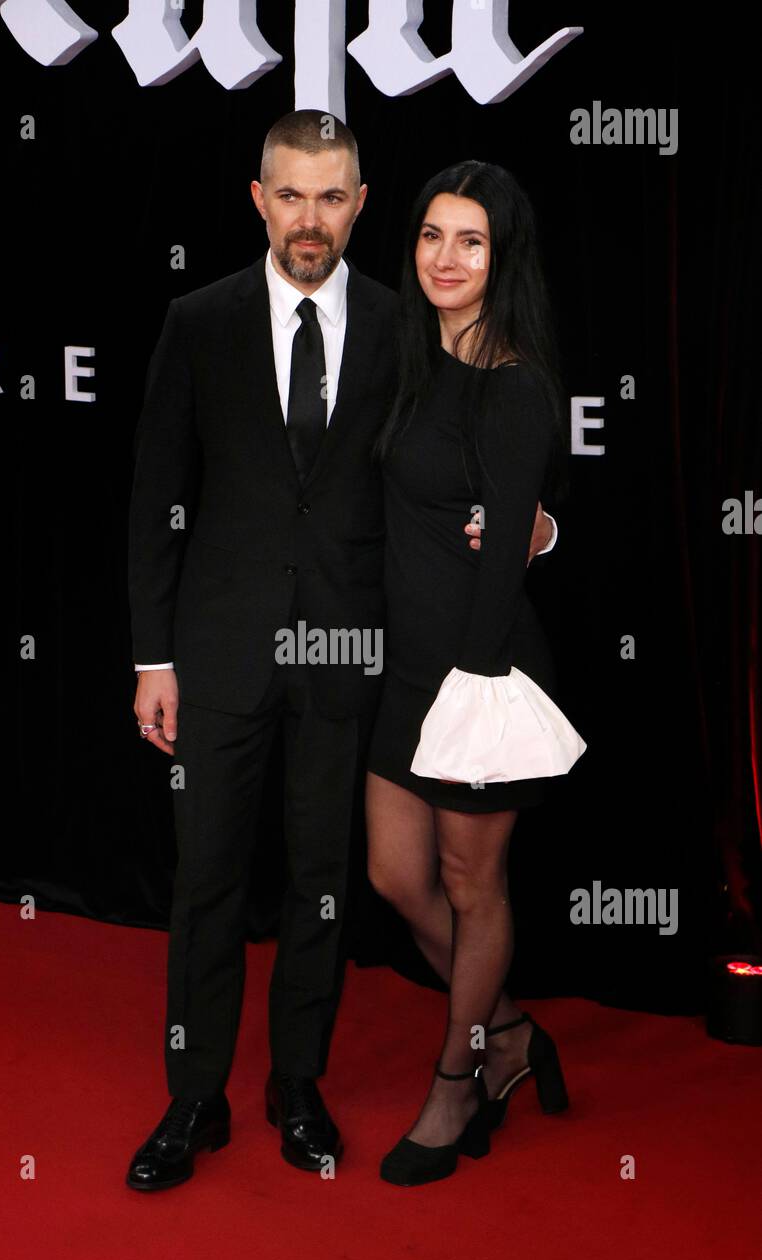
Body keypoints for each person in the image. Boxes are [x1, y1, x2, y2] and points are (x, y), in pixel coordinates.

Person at [125, 114, 556, 1192]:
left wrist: (543, 524)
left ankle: (299, 1086)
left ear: (360, 204)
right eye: (289, 195)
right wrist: (150, 657)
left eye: (331, 198)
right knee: (207, 881)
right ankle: (193, 1096)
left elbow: (488, 435)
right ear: (259, 199)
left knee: (327, 881)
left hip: (351, 654)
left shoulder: (403, 326)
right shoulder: (199, 319)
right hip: (217, 653)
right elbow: (152, 496)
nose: (309, 218)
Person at [366, 160, 586, 1187]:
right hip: (403, 669)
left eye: (470, 241)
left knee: (469, 882)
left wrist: (470, 684)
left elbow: (503, 558)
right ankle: (507, 1029)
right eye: (429, 236)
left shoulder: (515, 387)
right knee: (395, 879)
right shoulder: (409, 355)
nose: (443, 259)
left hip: (477, 670)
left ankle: (457, 1078)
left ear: (503, 259)